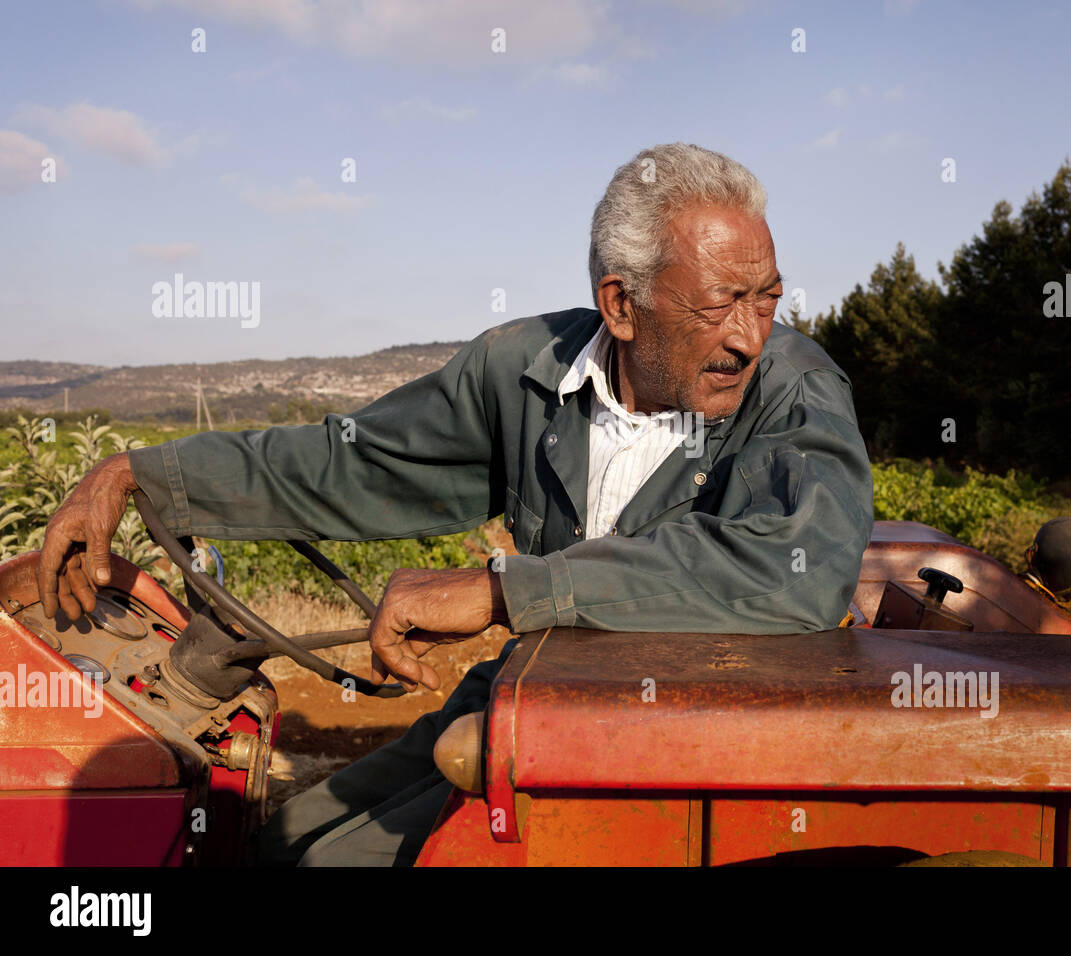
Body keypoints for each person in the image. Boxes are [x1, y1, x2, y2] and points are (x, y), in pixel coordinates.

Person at [37, 142, 874, 865]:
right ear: (621, 305)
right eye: (722, 302)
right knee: (281, 843)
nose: (751, 333)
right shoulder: (523, 371)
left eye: (766, 295)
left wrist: (506, 589)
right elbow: (349, 462)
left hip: (673, 743)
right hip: (518, 698)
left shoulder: (793, 389)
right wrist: (145, 475)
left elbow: (789, 566)